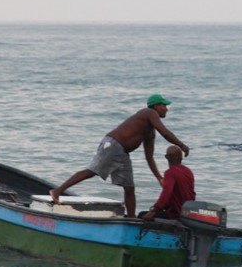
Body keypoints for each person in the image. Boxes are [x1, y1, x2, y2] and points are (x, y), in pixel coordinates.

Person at [50, 94, 189, 217]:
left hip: (123, 154)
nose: (166, 109)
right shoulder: (149, 112)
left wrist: (158, 176)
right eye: (164, 105)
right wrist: (181, 145)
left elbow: (149, 157)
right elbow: (165, 132)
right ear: (156, 106)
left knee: (129, 187)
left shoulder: (150, 133)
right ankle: (57, 191)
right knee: (92, 171)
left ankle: (131, 218)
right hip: (113, 145)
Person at [140, 145, 195, 221]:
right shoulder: (188, 171)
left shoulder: (170, 172)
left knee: (141, 215)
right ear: (181, 158)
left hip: (175, 214)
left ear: (166, 157)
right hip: (188, 214)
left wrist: (153, 211)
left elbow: (166, 193)